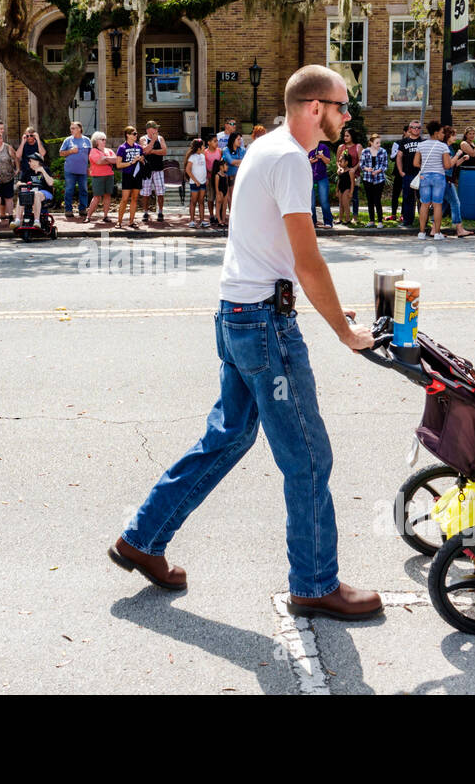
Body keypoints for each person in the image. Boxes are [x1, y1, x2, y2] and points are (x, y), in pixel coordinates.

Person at [110, 64, 382, 622]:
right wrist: (343, 330)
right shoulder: (290, 159)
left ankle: (142, 538)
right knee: (307, 457)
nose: (347, 115)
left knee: (228, 436)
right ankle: (314, 584)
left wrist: (312, 300)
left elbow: (273, 251)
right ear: (314, 106)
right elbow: (306, 256)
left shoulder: (268, 149)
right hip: (263, 324)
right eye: (342, 105)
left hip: (238, 313)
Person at [413, 121, 455, 239]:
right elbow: (447, 166)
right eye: (442, 132)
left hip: (424, 177)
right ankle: (437, 233)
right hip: (438, 177)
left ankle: (421, 233)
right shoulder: (443, 146)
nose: (443, 135)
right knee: (437, 205)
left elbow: (415, 163)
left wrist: (426, 167)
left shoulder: (421, 145)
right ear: (436, 133)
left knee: (424, 205)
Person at [443, 127, 475, 237]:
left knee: (442, 204)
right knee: (455, 203)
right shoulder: (446, 148)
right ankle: (459, 229)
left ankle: (434, 228)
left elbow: (454, 164)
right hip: (446, 179)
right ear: (448, 136)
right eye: (453, 135)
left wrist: (462, 159)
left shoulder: (449, 147)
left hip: (447, 178)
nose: (455, 137)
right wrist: (458, 154)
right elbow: (448, 165)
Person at [393, 119, 423, 226]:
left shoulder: (423, 142)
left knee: (422, 199)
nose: (416, 129)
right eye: (414, 127)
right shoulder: (404, 142)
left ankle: (423, 221)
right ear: (409, 129)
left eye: (418, 128)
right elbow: (399, 157)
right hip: (408, 174)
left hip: (420, 175)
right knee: (407, 198)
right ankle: (407, 221)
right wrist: (401, 171)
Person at [59, 121, 92, 217]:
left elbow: (91, 155)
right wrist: (71, 151)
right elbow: (61, 153)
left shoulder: (87, 140)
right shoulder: (68, 140)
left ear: (80, 129)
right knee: (69, 190)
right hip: (70, 170)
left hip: (83, 171)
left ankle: (82, 209)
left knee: (84, 190)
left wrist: (90, 167)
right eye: (71, 128)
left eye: (73, 128)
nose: (71, 130)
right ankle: (68, 210)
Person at [114, 126, 144, 229]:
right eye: (134, 134)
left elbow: (143, 161)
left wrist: (141, 159)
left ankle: (131, 222)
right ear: (127, 135)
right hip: (127, 175)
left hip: (137, 175)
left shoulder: (139, 147)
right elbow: (118, 165)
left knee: (135, 198)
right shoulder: (122, 148)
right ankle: (119, 221)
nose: (136, 135)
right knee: (125, 199)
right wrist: (131, 162)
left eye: (136, 134)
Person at [84, 131, 118, 224]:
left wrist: (105, 159)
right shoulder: (93, 151)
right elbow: (98, 162)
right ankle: (88, 216)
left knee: (107, 195)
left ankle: (105, 216)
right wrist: (109, 159)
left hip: (109, 175)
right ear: (96, 141)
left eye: (105, 139)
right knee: (96, 197)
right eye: (102, 139)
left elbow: (116, 160)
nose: (104, 141)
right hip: (98, 176)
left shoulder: (109, 150)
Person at [359, 133, 388, 227]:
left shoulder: (383, 151)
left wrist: (378, 171)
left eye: (380, 142)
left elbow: (385, 165)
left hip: (379, 179)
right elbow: (361, 165)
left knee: (377, 200)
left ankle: (380, 221)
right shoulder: (365, 151)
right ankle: (371, 220)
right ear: (371, 143)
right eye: (377, 143)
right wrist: (367, 169)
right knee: (370, 200)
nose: (379, 144)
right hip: (367, 179)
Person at [16, 155, 54, 225]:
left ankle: (37, 221)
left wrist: (43, 171)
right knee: (22, 194)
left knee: (35, 194)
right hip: (29, 193)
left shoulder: (46, 170)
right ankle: (17, 220)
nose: (29, 163)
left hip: (44, 193)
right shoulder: (28, 171)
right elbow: (18, 183)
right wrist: (25, 184)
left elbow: (51, 183)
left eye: (31, 161)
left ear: (37, 162)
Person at [335, 128, 359, 225]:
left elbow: (360, 160)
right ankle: (340, 218)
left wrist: (353, 169)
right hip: (342, 179)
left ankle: (351, 218)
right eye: (344, 136)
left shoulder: (357, 146)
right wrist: (339, 168)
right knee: (341, 203)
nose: (345, 137)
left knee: (350, 200)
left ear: (352, 136)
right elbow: (337, 161)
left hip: (353, 175)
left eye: (347, 136)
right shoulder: (341, 147)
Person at [184, 137, 208, 227]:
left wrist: (206, 179)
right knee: (193, 201)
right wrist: (196, 181)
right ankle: (192, 220)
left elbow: (203, 168)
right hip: (195, 183)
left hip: (203, 182)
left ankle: (202, 220)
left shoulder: (202, 156)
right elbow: (188, 170)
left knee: (201, 201)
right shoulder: (192, 157)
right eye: (203, 146)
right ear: (199, 148)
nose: (204, 147)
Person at [310, 136, 334, 226]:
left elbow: (328, 161)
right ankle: (313, 222)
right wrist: (310, 161)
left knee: (324, 200)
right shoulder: (307, 147)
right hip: (310, 177)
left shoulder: (323, 147)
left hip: (322, 177)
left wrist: (322, 156)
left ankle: (328, 222)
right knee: (311, 203)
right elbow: (302, 161)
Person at [203, 132, 222, 226]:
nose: (216, 143)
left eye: (217, 141)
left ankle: (218, 215)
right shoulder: (205, 153)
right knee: (210, 197)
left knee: (219, 198)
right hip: (210, 178)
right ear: (209, 142)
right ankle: (211, 215)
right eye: (214, 141)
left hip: (219, 178)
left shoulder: (219, 151)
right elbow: (204, 166)